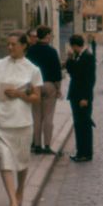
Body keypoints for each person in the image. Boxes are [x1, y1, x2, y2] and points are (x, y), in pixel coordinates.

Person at [0, 33, 42, 206]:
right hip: (0, 123)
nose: (9, 48)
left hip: (22, 122)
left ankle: (20, 190)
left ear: (23, 46)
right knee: (4, 161)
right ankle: (12, 201)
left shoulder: (32, 69)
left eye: (13, 44)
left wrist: (20, 95)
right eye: (8, 44)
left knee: (21, 162)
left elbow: (36, 97)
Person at [26, 25, 63, 155]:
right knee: (48, 117)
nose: (50, 37)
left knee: (36, 117)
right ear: (47, 36)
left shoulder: (31, 51)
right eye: (50, 35)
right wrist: (59, 88)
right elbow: (57, 72)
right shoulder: (52, 51)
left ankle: (36, 145)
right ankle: (47, 145)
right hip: (49, 85)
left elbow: (26, 70)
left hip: (35, 85)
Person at [65, 35, 96, 162]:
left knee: (84, 125)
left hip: (82, 98)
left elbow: (90, 80)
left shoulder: (87, 56)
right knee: (79, 125)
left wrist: (85, 98)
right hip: (76, 96)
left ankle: (85, 153)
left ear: (74, 46)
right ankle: (81, 151)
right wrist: (70, 58)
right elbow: (72, 72)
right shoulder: (79, 56)